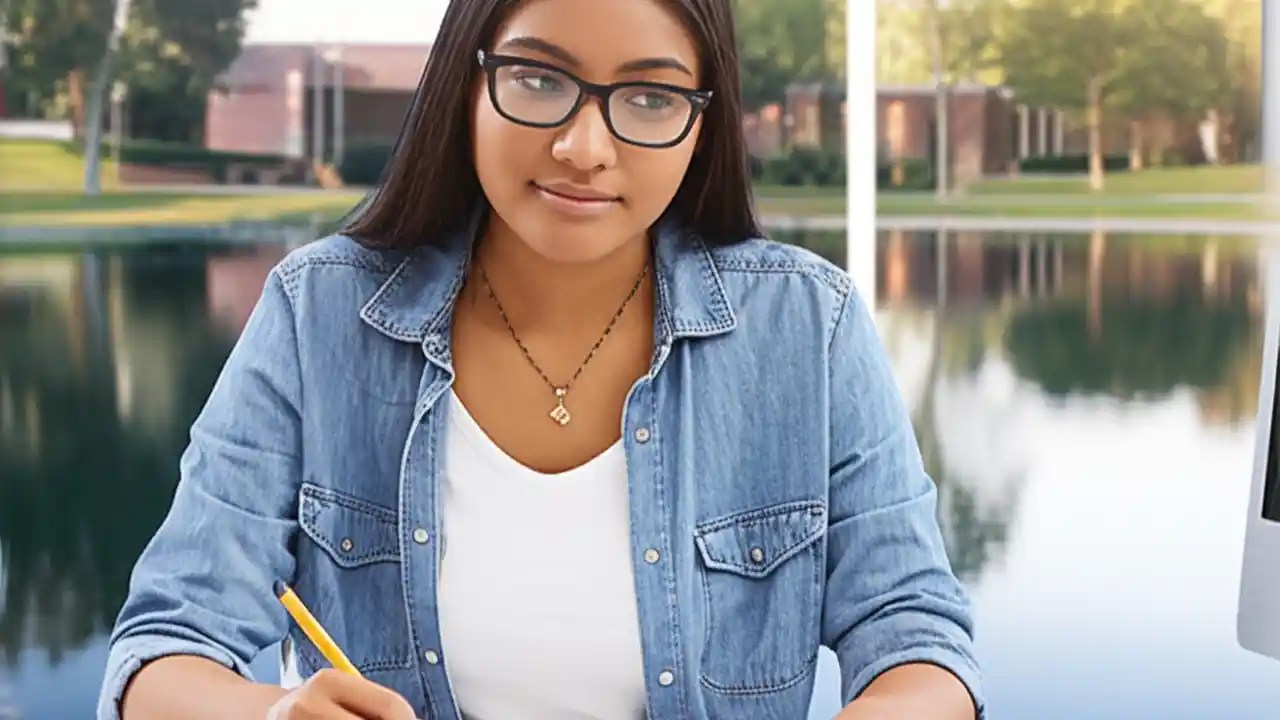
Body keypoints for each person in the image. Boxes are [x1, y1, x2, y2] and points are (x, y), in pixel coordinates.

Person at [97, 0, 985, 718]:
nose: (584, 148)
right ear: (466, 82)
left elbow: (916, 636)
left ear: (702, 123)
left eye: (649, 98)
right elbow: (163, 648)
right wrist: (275, 715)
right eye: (537, 78)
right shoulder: (314, 314)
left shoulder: (808, 327)